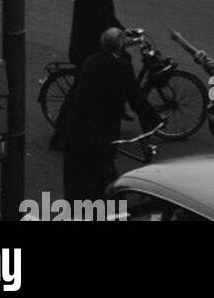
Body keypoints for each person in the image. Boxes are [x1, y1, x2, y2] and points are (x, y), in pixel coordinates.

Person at [61, 28, 158, 200]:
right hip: (101, 126)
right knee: (101, 164)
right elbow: (135, 96)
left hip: (79, 124)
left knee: (82, 169)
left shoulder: (91, 60)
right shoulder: (120, 66)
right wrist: (153, 118)